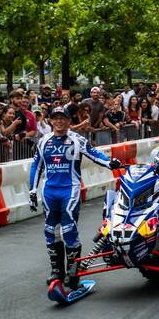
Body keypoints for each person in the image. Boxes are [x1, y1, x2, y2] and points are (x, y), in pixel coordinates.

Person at [29, 108, 121, 290]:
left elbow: (94, 154)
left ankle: (73, 273)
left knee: (68, 229)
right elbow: (36, 166)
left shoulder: (77, 139)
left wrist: (110, 163)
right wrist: (32, 190)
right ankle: (57, 271)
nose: (59, 122)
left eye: (62, 118)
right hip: (49, 191)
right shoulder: (43, 141)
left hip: (70, 190)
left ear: (68, 120)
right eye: (55, 119)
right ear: (50, 121)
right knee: (51, 230)